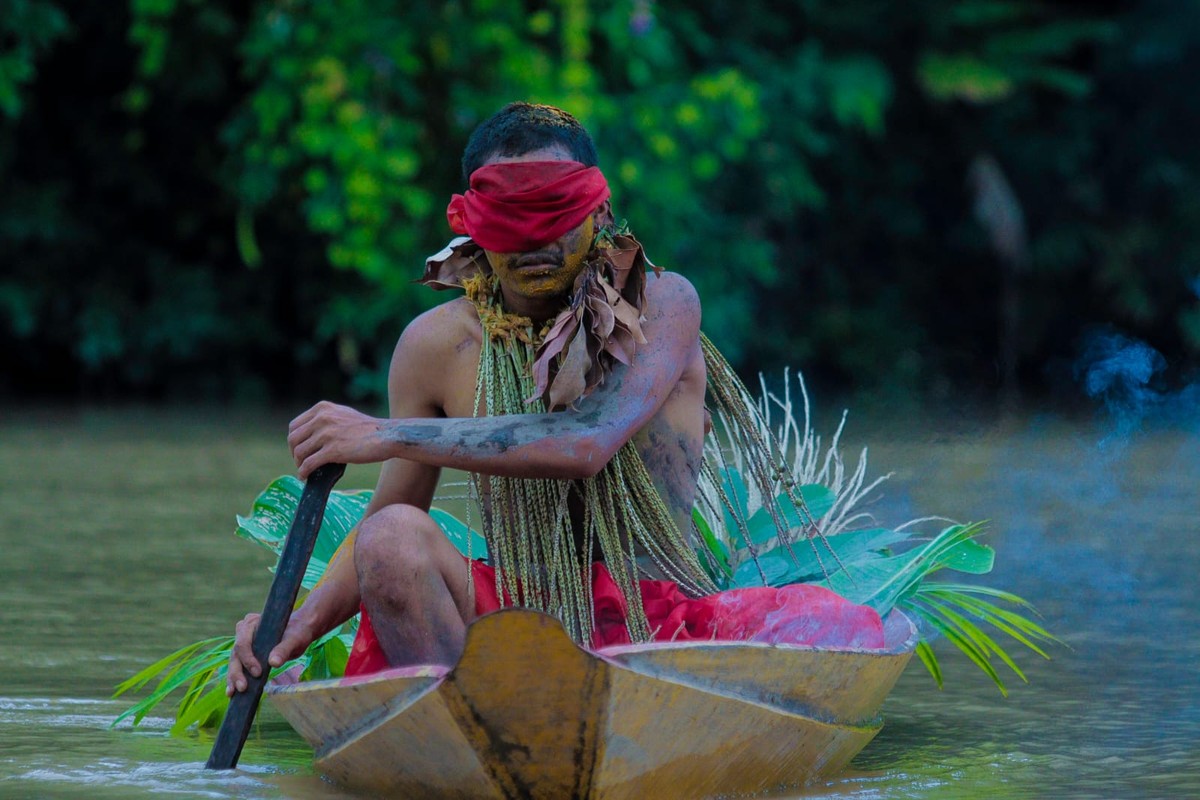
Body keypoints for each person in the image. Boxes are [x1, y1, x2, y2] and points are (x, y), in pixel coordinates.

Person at [226, 103, 883, 696]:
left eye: (554, 216)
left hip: (656, 619)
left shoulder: (661, 304)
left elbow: (585, 441)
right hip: (512, 622)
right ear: (468, 220)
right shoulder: (434, 345)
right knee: (390, 537)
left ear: (599, 212)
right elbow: (391, 514)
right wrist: (290, 627)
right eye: (510, 220)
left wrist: (387, 433)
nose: (534, 241)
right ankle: (476, 733)